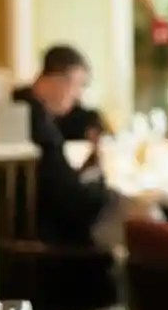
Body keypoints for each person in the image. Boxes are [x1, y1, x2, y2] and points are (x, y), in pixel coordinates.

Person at [13, 45, 119, 246]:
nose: (78, 95)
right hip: (50, 249)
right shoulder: (39, 126)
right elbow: (72, 202)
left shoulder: (20, 107)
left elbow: (85, 117)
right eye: (77, 85)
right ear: (57, 82)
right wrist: (101, 186)